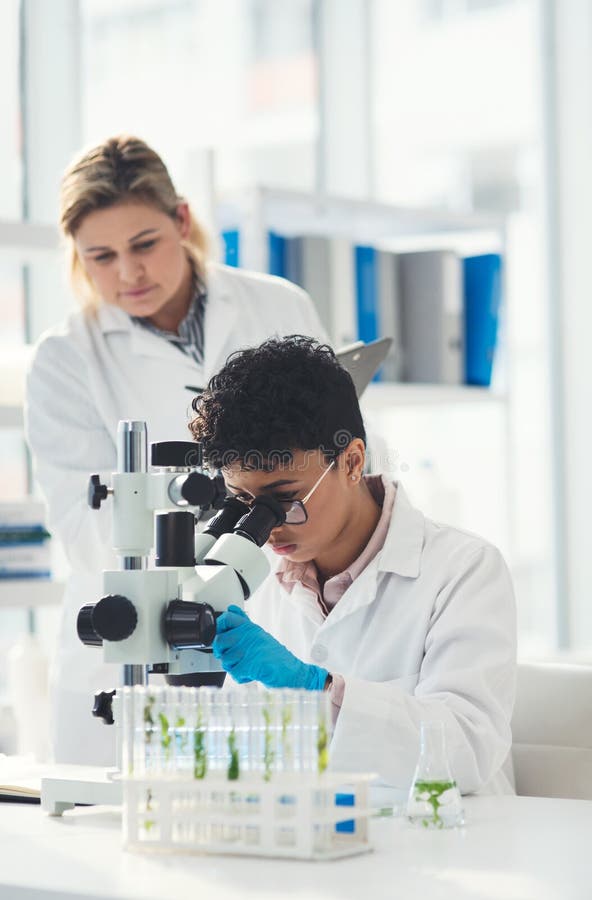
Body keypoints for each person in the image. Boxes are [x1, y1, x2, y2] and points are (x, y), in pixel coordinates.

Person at [25, 136, 326, 766]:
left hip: (266, 620)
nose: (128, 274)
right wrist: (210, 512)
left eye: (144, 245)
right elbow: (86, 533)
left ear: (182, 221)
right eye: (101, 256)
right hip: (133, 653)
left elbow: (336, 460)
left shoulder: (279, 304)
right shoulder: (64, 359)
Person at [190, 336, 517, 795]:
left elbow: (465, 751)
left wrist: (318, 689)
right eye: (243, 502)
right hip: (305, 828)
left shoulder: (464, 570)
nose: (269, 527)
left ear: (352, 461)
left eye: (284, 499)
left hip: (444, 831)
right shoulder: (253, 579)